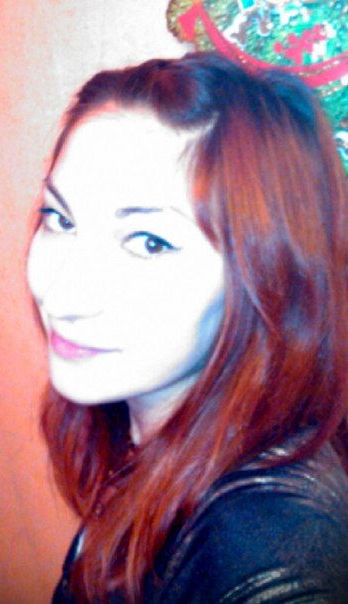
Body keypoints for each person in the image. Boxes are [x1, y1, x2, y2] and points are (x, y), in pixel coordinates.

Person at [27, 52, 348, 603]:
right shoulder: (150, 423)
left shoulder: (265, 545)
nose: (62, 296)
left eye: (150, 243)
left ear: (268, 275)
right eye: (60, 219)